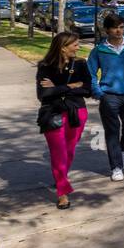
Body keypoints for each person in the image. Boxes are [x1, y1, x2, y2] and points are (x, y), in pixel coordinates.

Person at [87, 11, 124, 182]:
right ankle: (116, 167)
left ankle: (122, 150)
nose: (119, 31)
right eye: (114, 28)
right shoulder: (99, 50)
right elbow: (90, 73)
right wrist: (99, 93)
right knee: (112, 132)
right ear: (107, 30)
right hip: (109, 97)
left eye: (121, 27)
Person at [36, 31, 92, 209]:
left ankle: (61, 177)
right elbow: (43, 94)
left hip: (77, 112)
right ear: (63, 48)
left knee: (69, 150)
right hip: (53, 114)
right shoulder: (45, 66)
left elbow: (87, 89)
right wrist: (70, 86)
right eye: (75, 44)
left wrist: (57, 88)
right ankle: (62, 192)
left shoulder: (81, 64)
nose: (78, 47)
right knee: (58, 152)